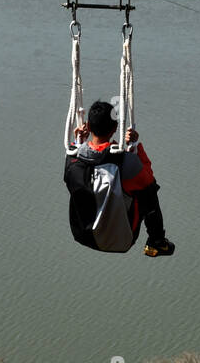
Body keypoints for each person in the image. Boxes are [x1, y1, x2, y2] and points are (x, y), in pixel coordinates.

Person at [73, 100, 174, 257]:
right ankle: (157, 241)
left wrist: (79, 142)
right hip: (121, 240)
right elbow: (148, 180)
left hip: (83, 236)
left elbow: (89, 154)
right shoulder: (126, 162)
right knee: (148, 191)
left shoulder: (74, 162)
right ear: (115, 129)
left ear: (88, 126)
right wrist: (135, 146)